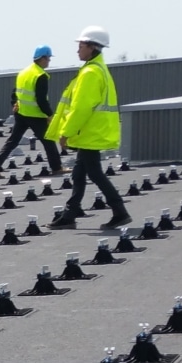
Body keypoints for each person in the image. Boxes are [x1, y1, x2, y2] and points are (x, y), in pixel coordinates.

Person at [49, 25, 131, 231]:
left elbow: (81, 107)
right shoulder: (97, 69)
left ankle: (119, 211)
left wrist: (66, 132)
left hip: (89, 131)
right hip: (92, 130)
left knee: (94, 173)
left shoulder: (90, 73)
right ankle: (71, 212)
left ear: (93, 47)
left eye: (82, 45)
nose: (78, 50)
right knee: (79, 172)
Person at [0, 46, 63, 177]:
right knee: (49, 140)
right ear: (43, 58)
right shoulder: (40, 75)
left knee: (13, 141)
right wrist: (50, 115)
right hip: (35, 115)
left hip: (21, 113)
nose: (49, 61)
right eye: (48, 58)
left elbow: (15, 93)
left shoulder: (23, 73)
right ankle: (56, 168)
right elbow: (41, 100)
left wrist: (14, 104)